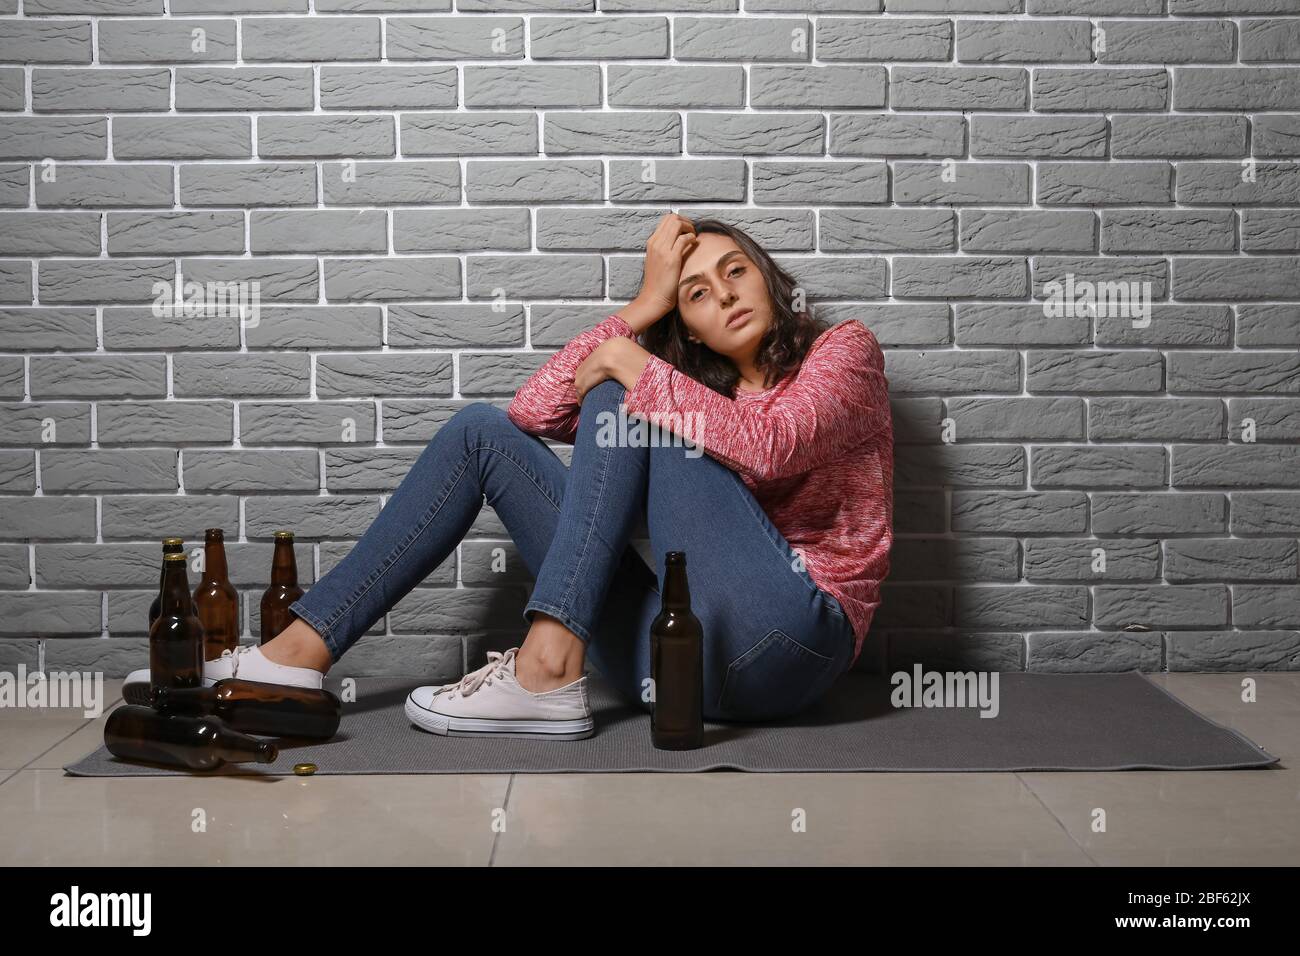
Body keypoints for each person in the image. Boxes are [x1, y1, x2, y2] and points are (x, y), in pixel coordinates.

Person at [126, 213, 894, 741]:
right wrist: (642, 307)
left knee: (623, 390)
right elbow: (532, 411)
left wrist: (630, 366)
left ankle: (545, 666)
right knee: (481, 431)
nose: (724, 294)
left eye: (735, 272)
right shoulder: (689, 384)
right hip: (676, 660)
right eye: (696, 292)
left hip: (793, 642)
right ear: (685, 322)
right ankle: (298, 656)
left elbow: (773, 445)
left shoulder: (844, 352)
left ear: (766, 275)